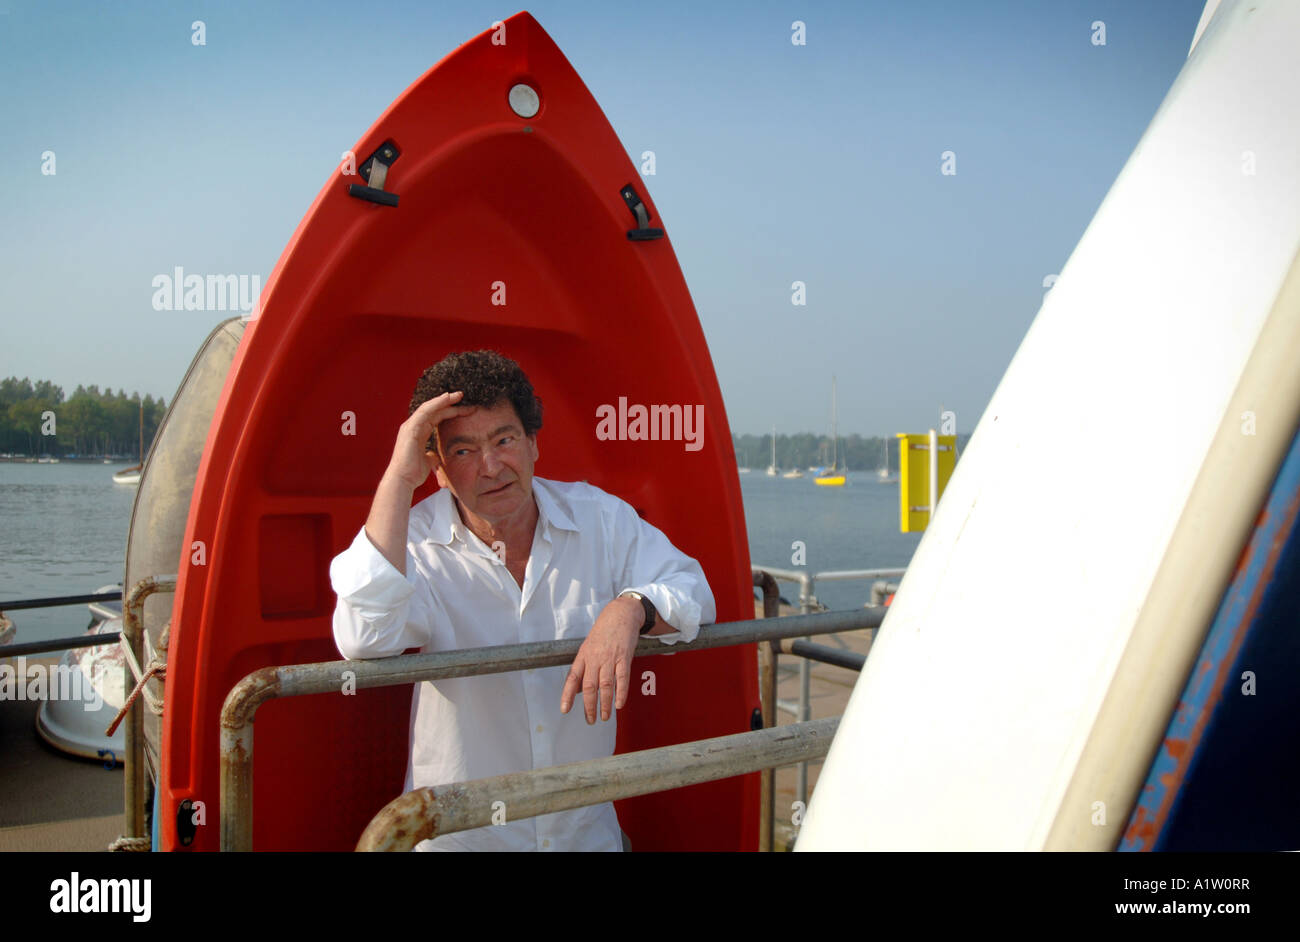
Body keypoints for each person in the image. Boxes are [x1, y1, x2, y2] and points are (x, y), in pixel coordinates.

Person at [329, 350, 715, 851]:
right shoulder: (414, 544)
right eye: (463, 451)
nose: (491, 467)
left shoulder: (600, 518)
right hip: (463, 841)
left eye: (504, 440)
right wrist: (400, 479)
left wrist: (630, 609)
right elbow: (364, 638)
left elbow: (694, 591)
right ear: (438, 470)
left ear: (533, 443)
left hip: (583, 838)